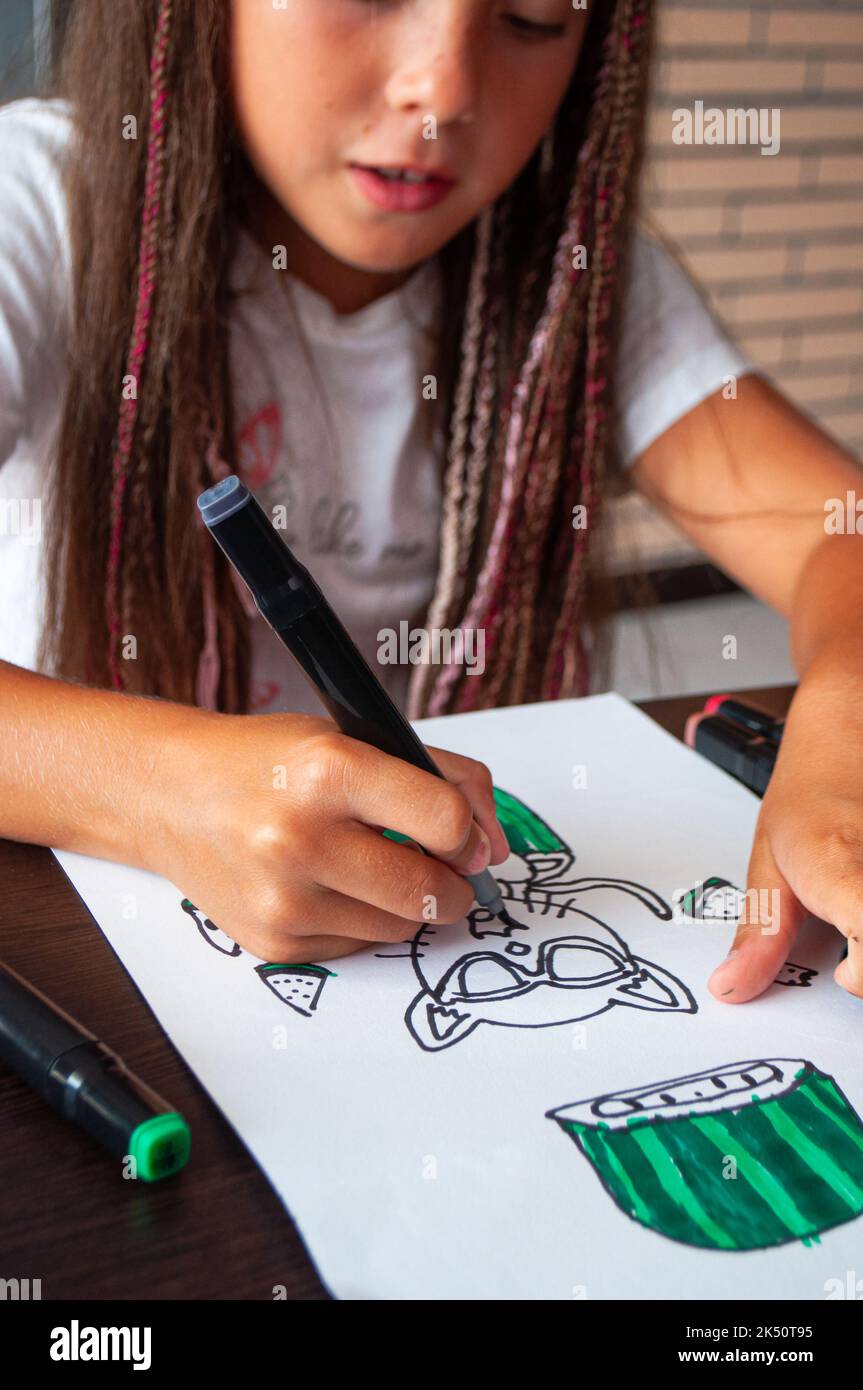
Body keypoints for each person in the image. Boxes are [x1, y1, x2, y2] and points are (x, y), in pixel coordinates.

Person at [1, 0, 861, 1002]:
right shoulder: (40, 205)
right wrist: (156, 791)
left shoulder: (571, 269)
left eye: (532, 17)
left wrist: (843, 717)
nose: (442, 91)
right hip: (83, 967)